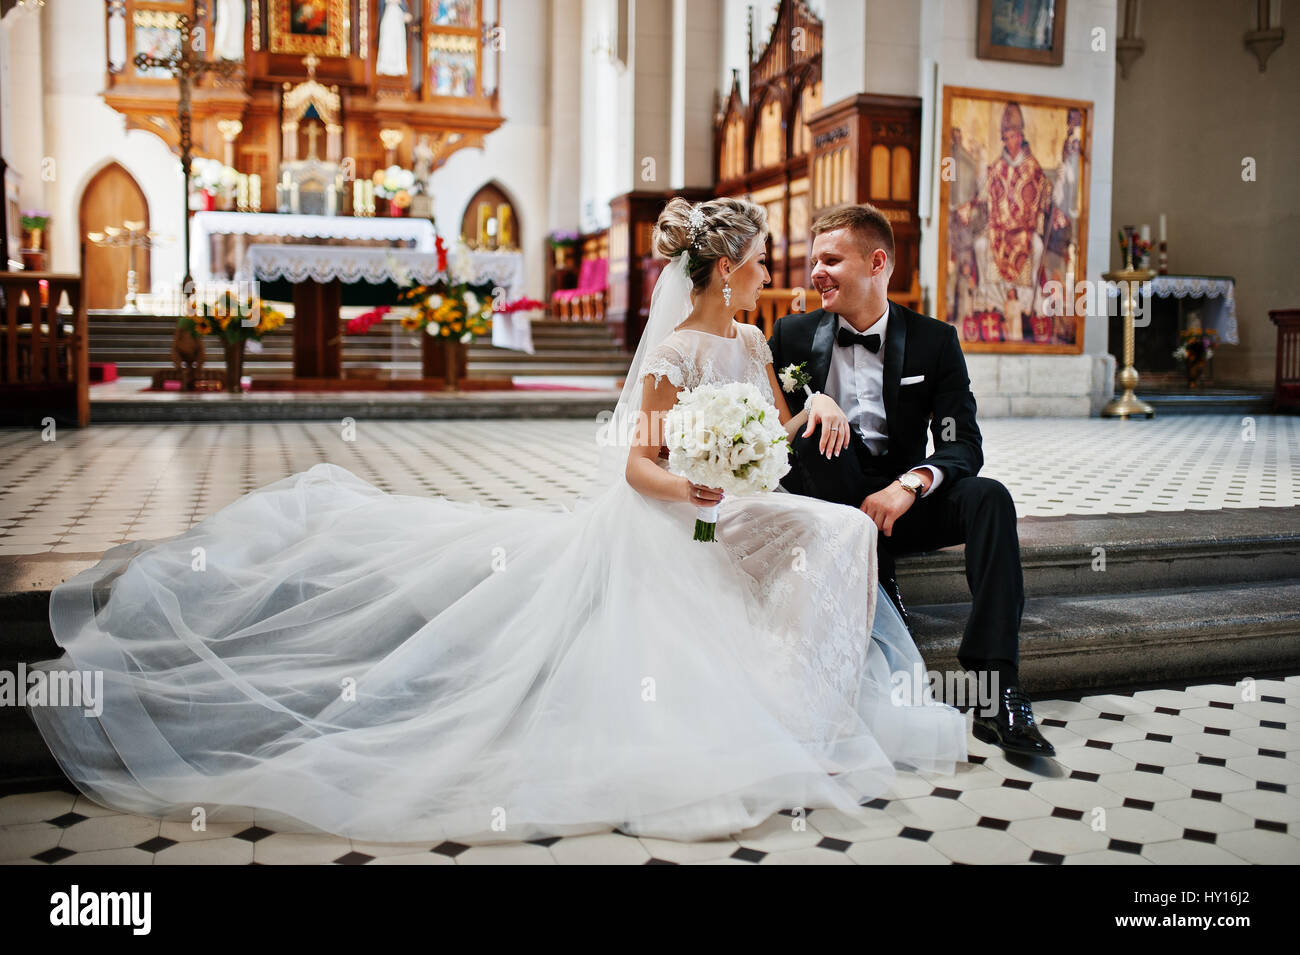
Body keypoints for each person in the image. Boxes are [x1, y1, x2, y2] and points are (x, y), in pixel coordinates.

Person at [28, 198, 965, 846]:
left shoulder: (757, 340)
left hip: (743, 504)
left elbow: (776, 421)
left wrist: (817, 415)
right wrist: (691, 493)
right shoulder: (677, 351)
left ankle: (809, 700)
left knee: (840, 529)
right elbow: (638, 463)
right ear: (728, 266)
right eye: (765, 259)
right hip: (679, 518)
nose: (778, 273)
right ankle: (778, 707)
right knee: (797, 540)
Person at [769, 202, 1055, 758]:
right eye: (814, 260)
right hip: (832, 507)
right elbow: (776, 437)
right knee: (817, 436)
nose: (815, 273)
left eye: (831, 259)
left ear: (877, 263)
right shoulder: (792, 335)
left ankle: (995, 690)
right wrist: (816, 410)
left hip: (898, 500)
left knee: (989, 498)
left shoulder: (934, 341)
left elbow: (962, 444)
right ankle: (875, 571)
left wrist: (911, 484)